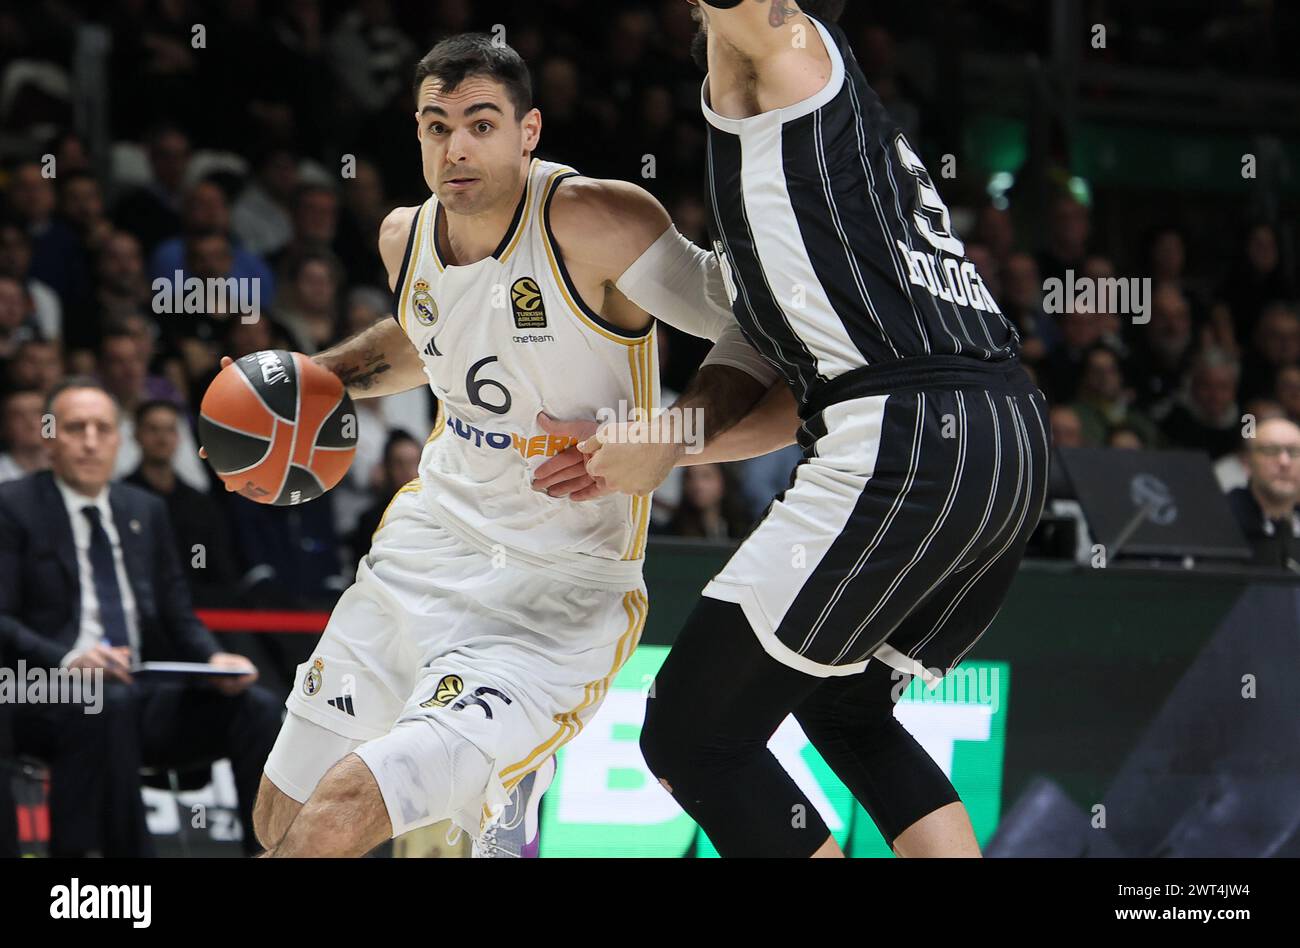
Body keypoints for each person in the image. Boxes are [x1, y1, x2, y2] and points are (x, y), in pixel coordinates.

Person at [237, 32, 776, 858]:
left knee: (340, 815)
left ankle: (505, 785)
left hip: (555, 592)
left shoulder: (596, 219)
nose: (457, 146)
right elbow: (435, 335)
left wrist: (672, 435)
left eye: (481, 123)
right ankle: (500, 791)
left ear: (528, 131)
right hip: (425, 549)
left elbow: (756, 325)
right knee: (281, 824)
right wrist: (319, 380)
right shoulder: (401, 238)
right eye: (436, 125)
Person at [555, 1, 1049, 858]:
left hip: (913, 435)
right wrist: (664, 441)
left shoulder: (787, 57)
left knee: (692, 737)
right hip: (1000, 434)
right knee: (844, 705)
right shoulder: (813, 178)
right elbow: (793, 391)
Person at [0, 377, 275, 855]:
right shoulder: (14, 506)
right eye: (74, 428)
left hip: (137, 688)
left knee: (257, 707)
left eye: (102, 428)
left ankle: (271, 851)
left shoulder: (144, 510)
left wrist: (213, 660)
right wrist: (68, 660)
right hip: (42, 691)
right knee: (108, 703)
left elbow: (178, 614)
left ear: (118, 440)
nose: (89, 441)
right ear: (49, 436)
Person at [1225, 417, 1300, 571]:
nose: (1284, 462)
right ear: (1247, 460)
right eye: (1270, 451)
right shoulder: (1222, 519)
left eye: (1294, 452)